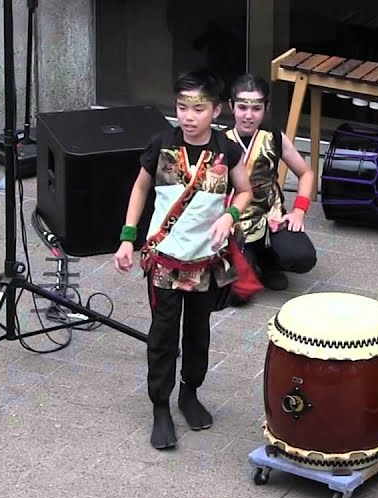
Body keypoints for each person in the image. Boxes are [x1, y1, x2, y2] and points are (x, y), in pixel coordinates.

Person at [113, 70, 253, 450]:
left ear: (216, 110)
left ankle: (190, 393)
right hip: (163, 260)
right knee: (162, 334)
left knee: (198, 330)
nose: (189, 117)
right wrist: (128, 238)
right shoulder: (162, 144)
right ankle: (160, 406)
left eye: (198, 108)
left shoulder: (228, 149)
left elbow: (244, 191)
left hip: (204, 262)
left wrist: (230, 216)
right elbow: (140, 188)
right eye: (182, 108)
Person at [223, 74, 317, 305]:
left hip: (271, 217)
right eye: (242, 107)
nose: (248, 115)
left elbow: (306, 173)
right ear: (231, 106)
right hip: (235, 224)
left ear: (266, 108)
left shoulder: (274, 137)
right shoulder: (219, 141)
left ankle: (269, 260)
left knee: (301, 257)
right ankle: (254, 260)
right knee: (237, 297)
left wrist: (298, 211)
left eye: (256, 108)